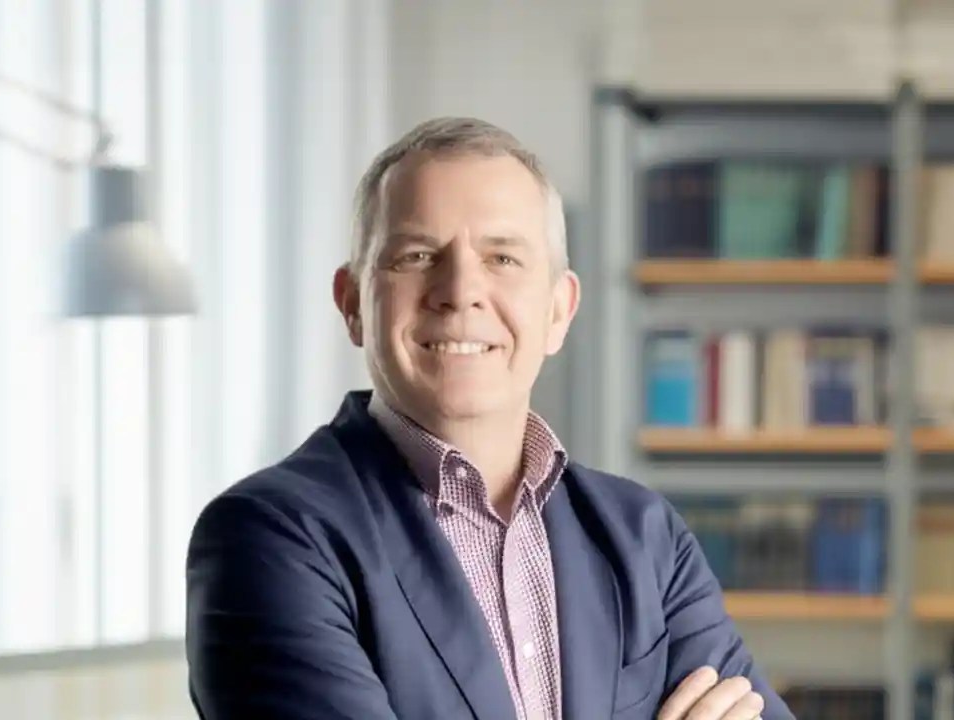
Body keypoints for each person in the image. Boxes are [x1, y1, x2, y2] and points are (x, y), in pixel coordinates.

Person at [185, 117, 794, 720]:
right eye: (417, 255)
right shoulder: (268, 538)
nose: (460, 290)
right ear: (353, 305)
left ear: (559, 310)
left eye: (502, 258)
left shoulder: (644, 537)